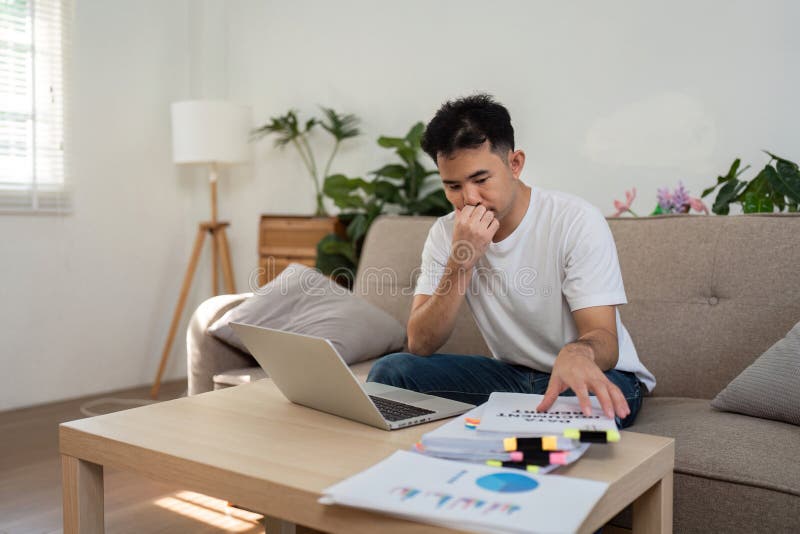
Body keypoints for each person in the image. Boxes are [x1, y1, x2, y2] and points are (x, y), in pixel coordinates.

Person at [366, 94, 655, 428]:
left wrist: (577, 354)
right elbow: (420, 343)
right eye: (453, 186)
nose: (469, 198)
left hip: (598, 375)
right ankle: (517, 419)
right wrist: (462, 261)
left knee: (580, 403)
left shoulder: (575, 220)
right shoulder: (446, 233)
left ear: (515, 164)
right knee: (391, 373)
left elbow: (603, 336)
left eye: (480, 180)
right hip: (513, 376)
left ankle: (514, 420)